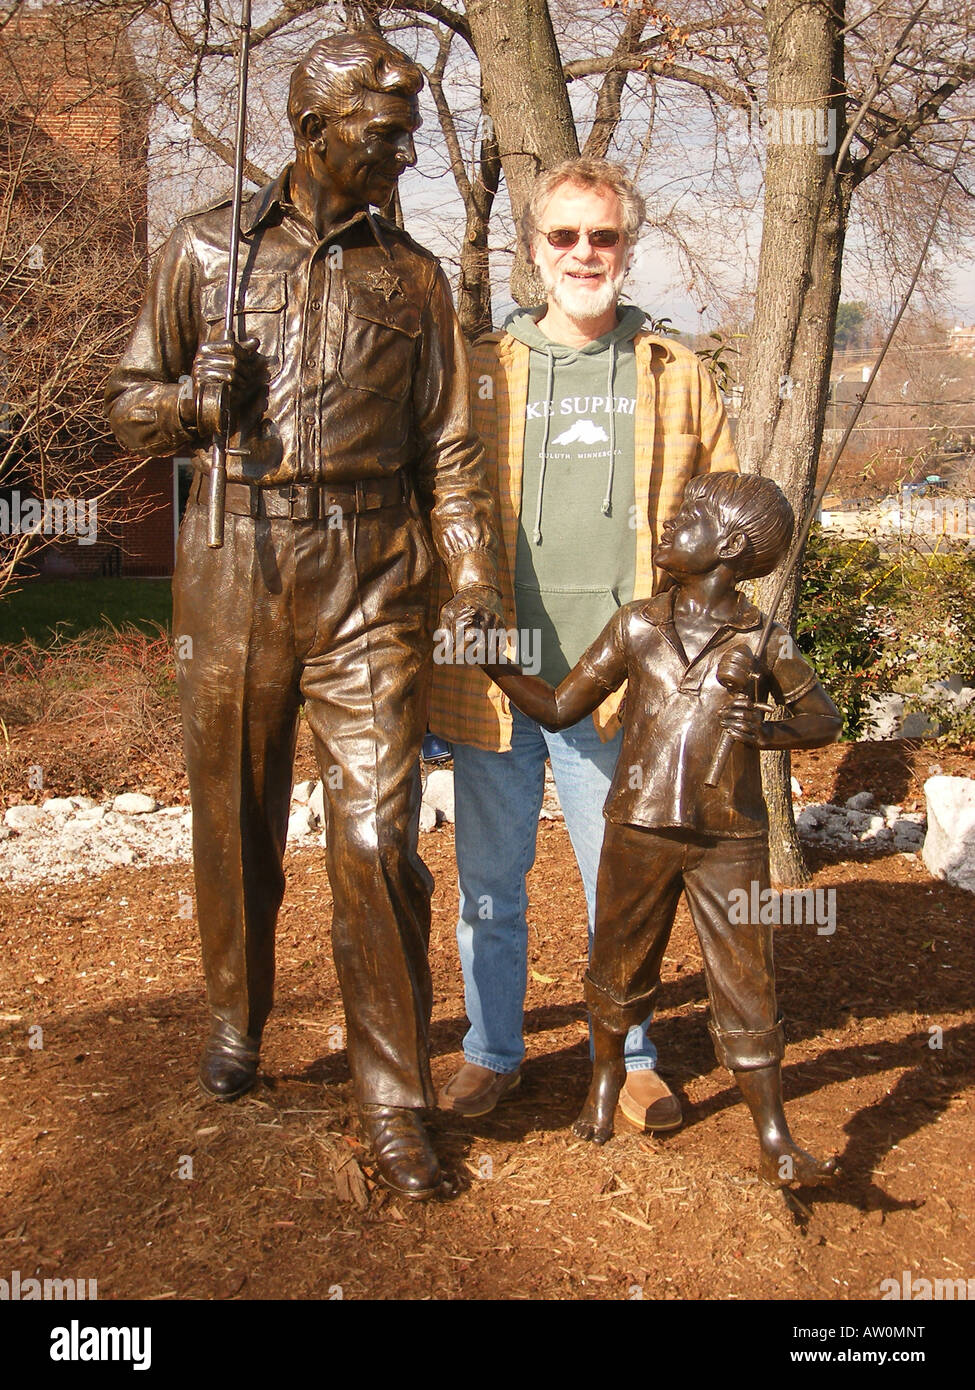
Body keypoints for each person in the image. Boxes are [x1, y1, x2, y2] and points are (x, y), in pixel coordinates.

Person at [105, 33, 502, 1201]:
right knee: (236, 813)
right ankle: (238, 1015)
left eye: (409, 131)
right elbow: (129, 410)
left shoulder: (416, 275)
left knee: (378, 842)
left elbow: (453, 446)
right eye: (386, 134)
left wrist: (472, 574)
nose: (406, 152)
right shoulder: (202, 249)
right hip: (237, 551)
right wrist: (188, 400)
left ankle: (393, 1098)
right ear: (315, 128)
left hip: (376, 569)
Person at [430, 157, 738, 1129]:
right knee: (488, 883)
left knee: (629, 887)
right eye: (563, 236)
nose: (584, 254)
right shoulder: (476, 374)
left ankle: (634, 1057)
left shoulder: (677, 374)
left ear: (625, 246)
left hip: (624, 687)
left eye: (601, 236)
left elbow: (727, 518)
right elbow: (425, 511)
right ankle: (489, 1052)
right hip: (496, 678)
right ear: (533, 250)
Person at [484, 472, 841, 1185]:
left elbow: (823, 718)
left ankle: (773, 1136)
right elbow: (559, 707)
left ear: (731, 546)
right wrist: (495, 660)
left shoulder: (763, 638)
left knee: (747, 976)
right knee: (619, 962)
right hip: (638, 825)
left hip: (729, 838)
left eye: (689, 518)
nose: (667, 526)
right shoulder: (637, 625)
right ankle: (606, 1079)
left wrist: (769, 730)